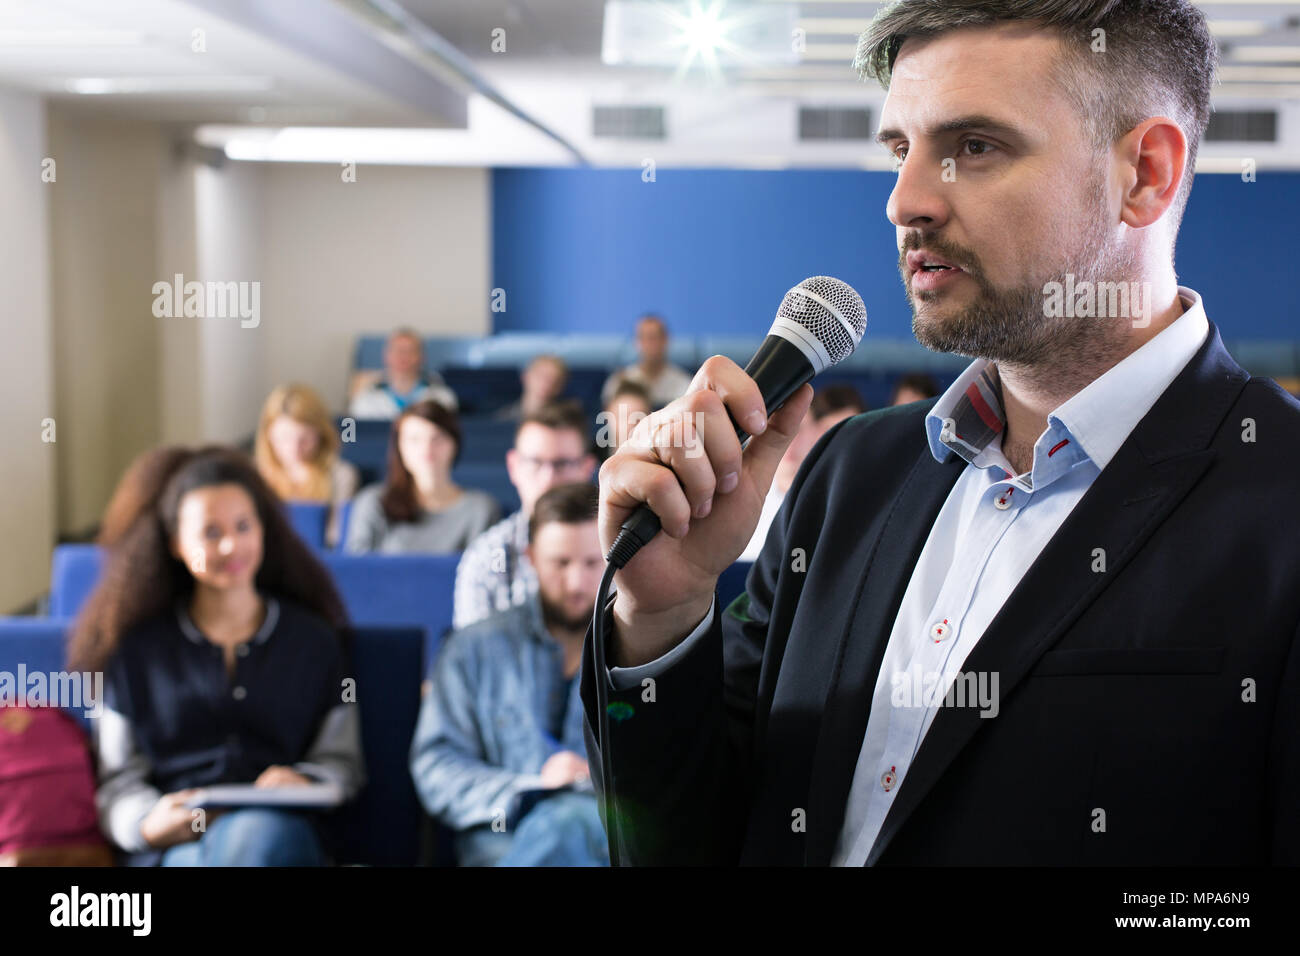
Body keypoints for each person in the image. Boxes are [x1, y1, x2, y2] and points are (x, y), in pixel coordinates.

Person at [582, 0, 1300, 866]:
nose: (904, 201)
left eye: (975, 147)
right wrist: (662, 618)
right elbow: (691, 840)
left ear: (1144, 173)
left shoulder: (1279, 496)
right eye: (900, 148)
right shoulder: (852, 473)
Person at [72, 447, 363, 866]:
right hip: (178, 844)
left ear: (264, 531)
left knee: (257, 835)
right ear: (175, 543)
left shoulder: (313, 640)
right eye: (210, 533)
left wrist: (304, 781)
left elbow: (342, 763)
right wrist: (147, 823)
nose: (231, 545)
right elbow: (118, 781)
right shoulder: (134, 650)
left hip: (279, 831)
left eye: (243, 526)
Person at [411, 483, 610, 866]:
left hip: (607, 831)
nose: (576, 584)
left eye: (591, 563)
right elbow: (436, 767)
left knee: (570, 824)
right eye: (561, 563)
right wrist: (531, 788)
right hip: (504, 834)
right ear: (531, 558)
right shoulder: (473, 649)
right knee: (561, 828)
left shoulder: (641, 652)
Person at [452, 401, 597, 629]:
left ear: (587, 468)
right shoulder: (486, 558)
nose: (549, 479)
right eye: (535, 462)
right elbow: (477, 657)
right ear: (513, 466)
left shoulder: (617, 552)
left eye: (562, 464)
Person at [344, 400, 499, 554]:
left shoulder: (481, 509)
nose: (427, 449)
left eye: (437, 438)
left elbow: (484, 574)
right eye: (415, 439)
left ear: (455, 444)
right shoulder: (373, 503)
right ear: (399, 448)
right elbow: (357, 571)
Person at [739, 385, 865, 561]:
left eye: (800, 428)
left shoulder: (836, 503)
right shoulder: (740, 493)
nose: (790, 439)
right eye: (773, 427)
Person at [254, 384, 360, 548]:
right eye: (284, 438)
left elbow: (336, 539)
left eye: (304, 438)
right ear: (268, 436)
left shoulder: (341, 475)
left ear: (321, 434)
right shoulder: (254, 476)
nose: (294, 449)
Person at [349, 328, 458, 419]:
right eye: (398, 350)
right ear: (386, 356)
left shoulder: (442, 397)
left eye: (411, 351)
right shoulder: (365, 398)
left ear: (422, 357)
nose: (403, 356)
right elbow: (352, 436)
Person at [600, 314, 694, 410]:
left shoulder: (685, 384)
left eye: (655, 337)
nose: (650, 344)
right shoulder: (618, 382)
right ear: (636, 341)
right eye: (644, 338)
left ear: (666, 340)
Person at [493, 355, 569, 422]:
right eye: (541, 376)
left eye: (554, 380)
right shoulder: (505, 417)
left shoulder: (566, 421)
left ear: (561, 386)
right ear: (526, 377)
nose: (546, 383)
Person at [595, 380, 653, 461]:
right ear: (607, 415)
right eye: (623, 416)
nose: (630, 425)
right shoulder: (591, 459)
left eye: (638, 419)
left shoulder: (657, 461)